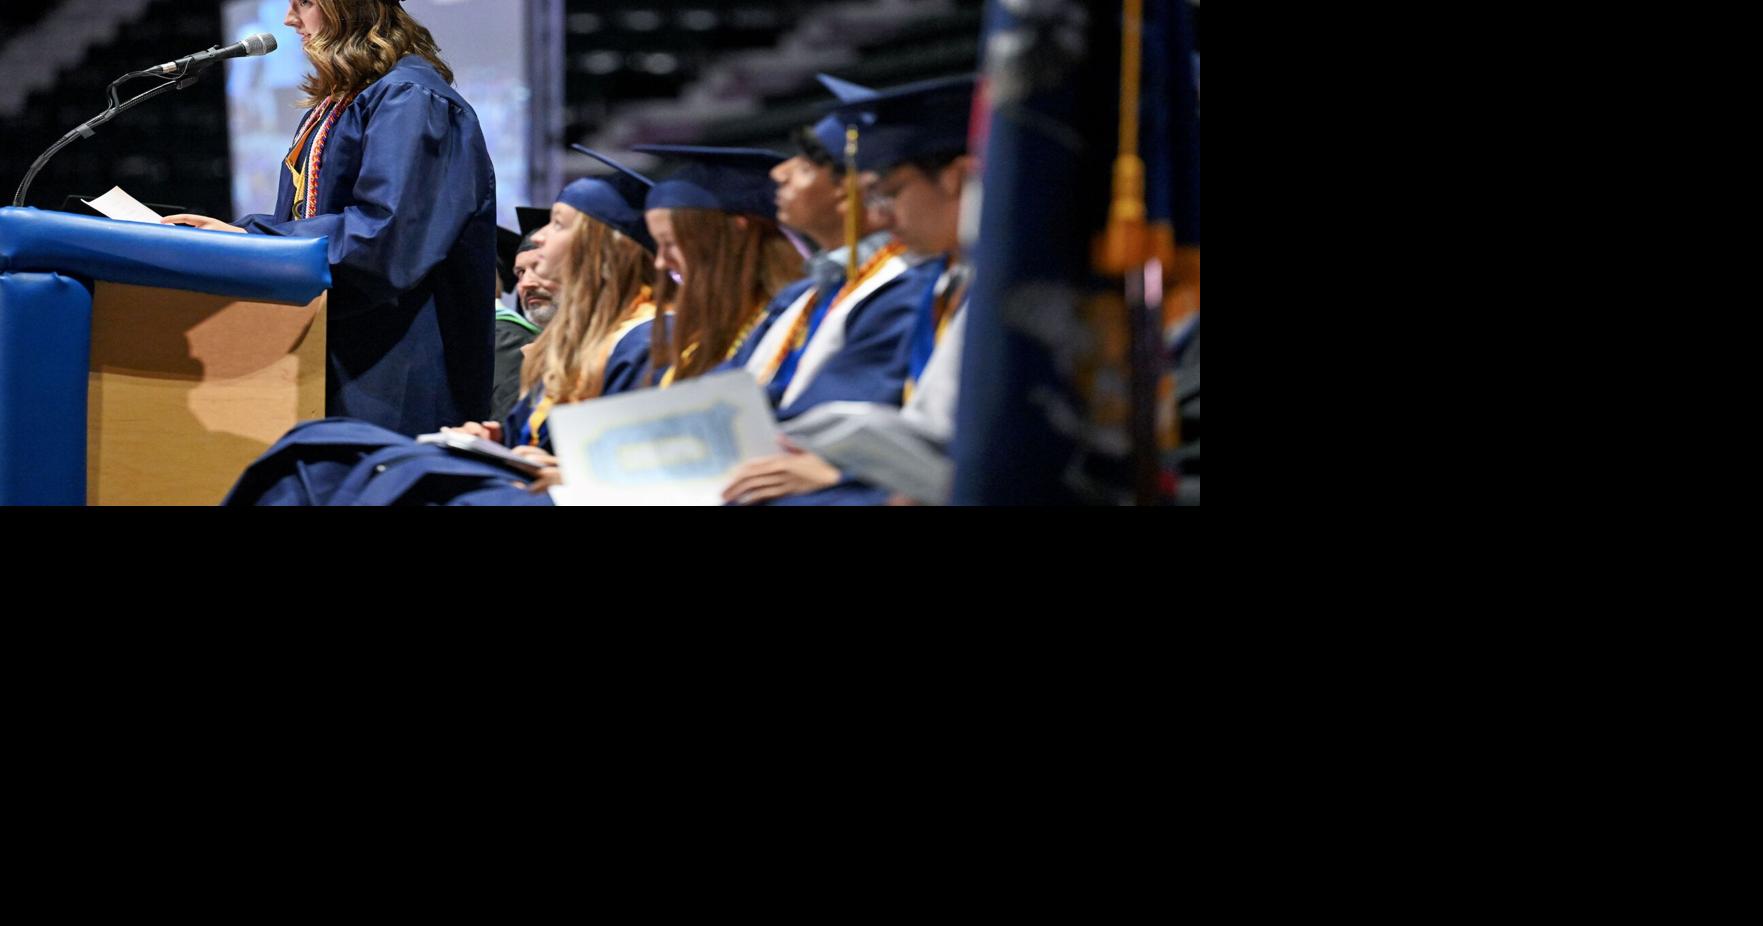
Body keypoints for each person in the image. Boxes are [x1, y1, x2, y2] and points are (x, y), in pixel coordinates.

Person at [163, 0, 497, 436]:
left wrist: (253, 241)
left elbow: (385, 239)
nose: (288, 18)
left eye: (305, 2)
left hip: (395, 376)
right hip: (334, 360)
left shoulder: (412, 99)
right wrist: (243, 241)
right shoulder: (345, 103)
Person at [722, 75, 980, 506]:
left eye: (890, 194)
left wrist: (847, 470)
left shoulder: (964, 287)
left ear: (956, 179)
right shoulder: (946, 281)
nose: (884, 216)